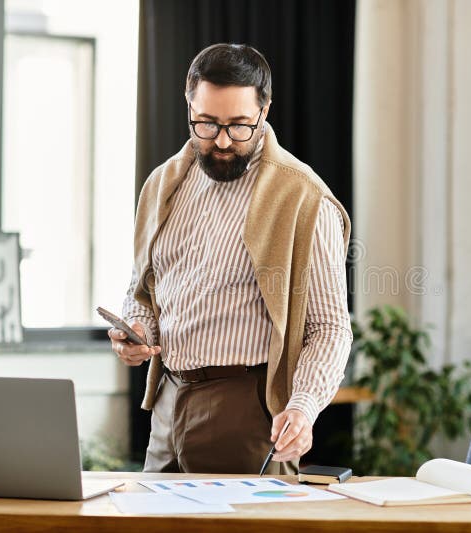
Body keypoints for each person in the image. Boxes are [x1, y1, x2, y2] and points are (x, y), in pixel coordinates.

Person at [108, 43, 351, 474]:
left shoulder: (303, 198)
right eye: (206, 123)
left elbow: (330, 327)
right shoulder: (163, 184)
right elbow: (142, 289)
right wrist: (137, 327)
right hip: (168, 403)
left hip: (248, 412)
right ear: (189, 105)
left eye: (239, 126)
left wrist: (304, 406)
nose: (221, 141)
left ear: (265, 111)